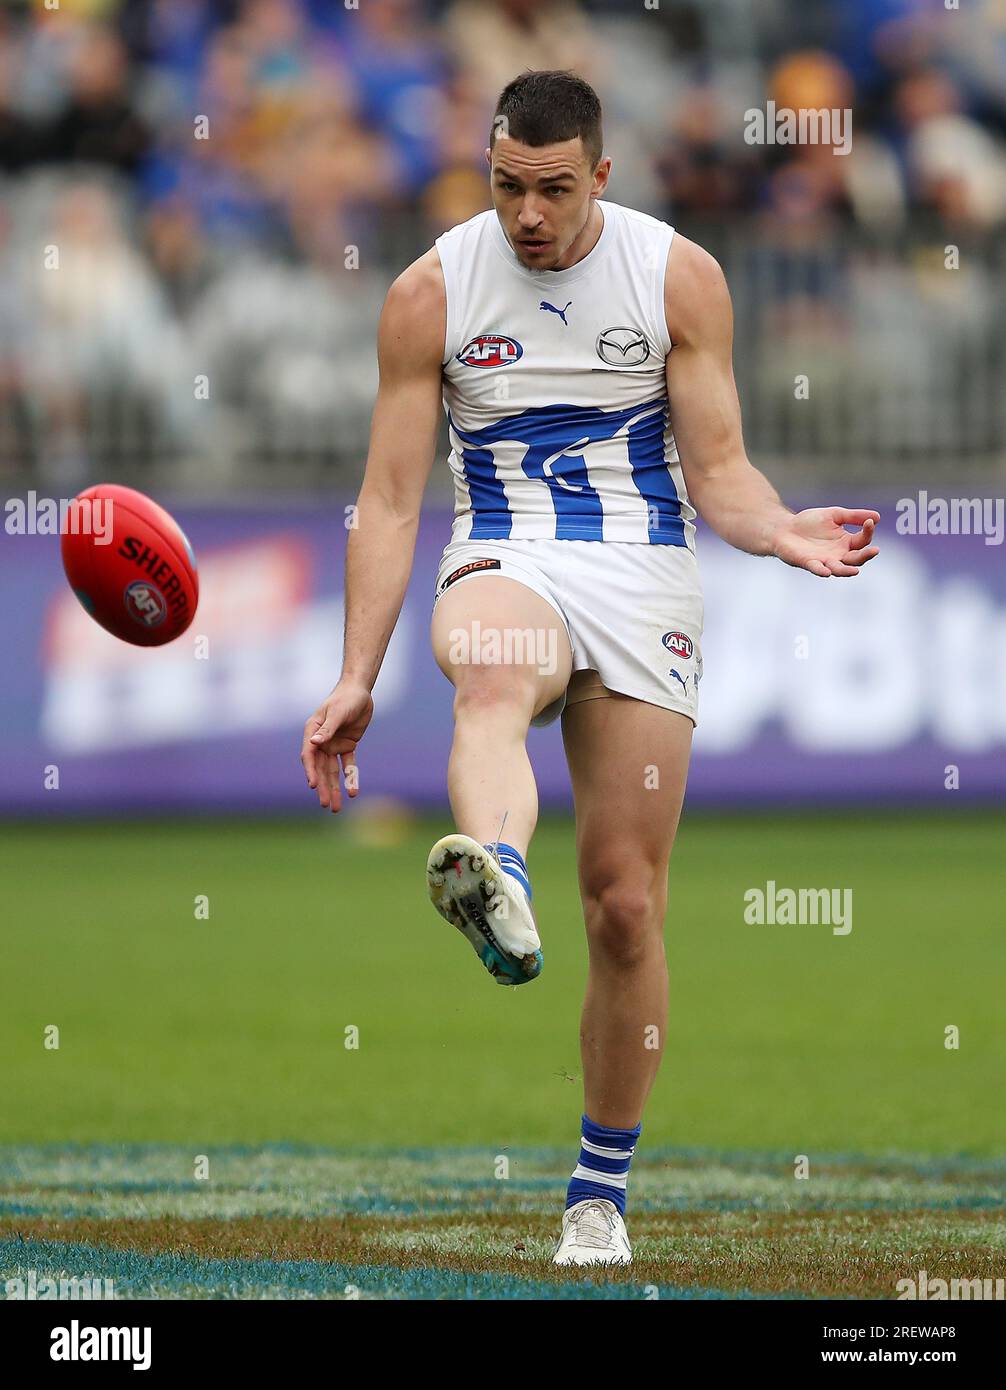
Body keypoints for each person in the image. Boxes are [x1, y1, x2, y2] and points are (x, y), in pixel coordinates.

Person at [300, 69, 879, 1266]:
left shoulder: (677, 275)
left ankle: (597, 1197)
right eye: (506, 185)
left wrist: (777, 528)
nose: (527, 213)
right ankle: (494, 873)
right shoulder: (429, 293)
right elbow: (391, 500)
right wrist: (358, 672)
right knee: (493, 675)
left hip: (643, 568)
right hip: (505, 549)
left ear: (601, 175)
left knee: (623, 905)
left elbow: (718, 469)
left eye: (554, 190)